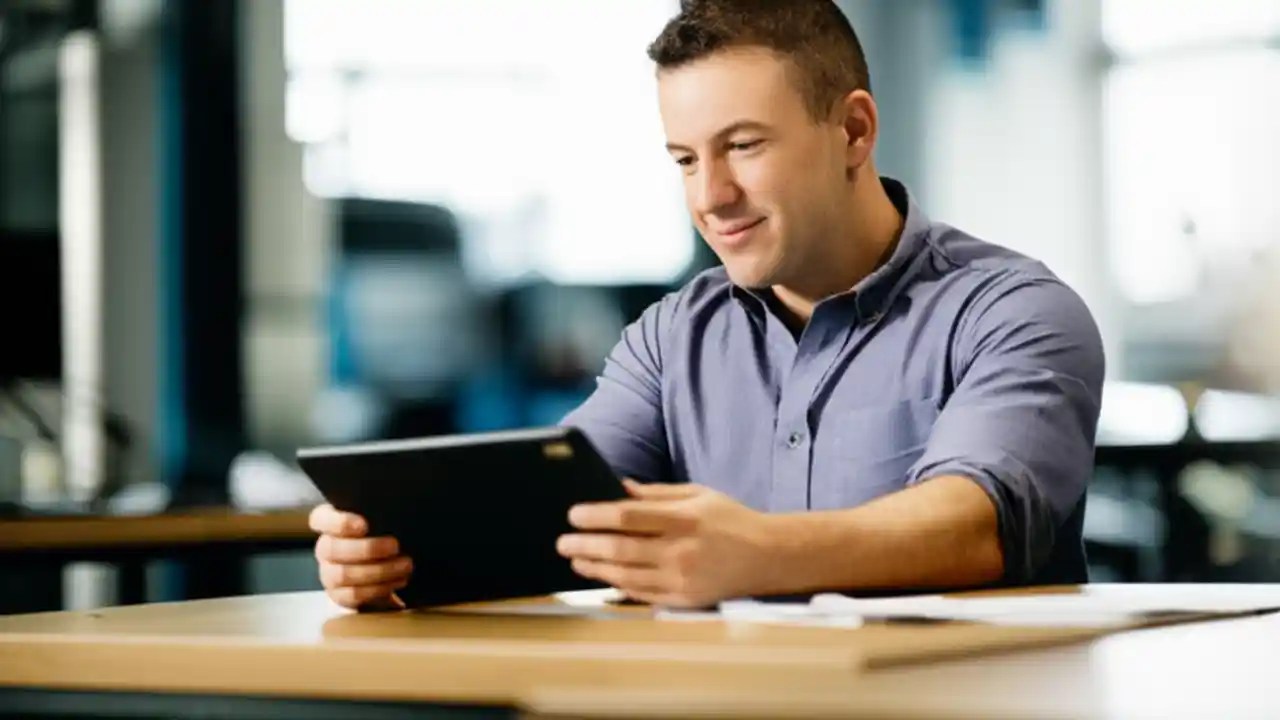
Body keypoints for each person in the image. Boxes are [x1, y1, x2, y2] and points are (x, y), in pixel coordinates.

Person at [310, 0, 1105, 610]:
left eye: (745, 146)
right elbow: (560, 513)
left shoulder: (1015, 314)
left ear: (854, 131)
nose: (711, 196)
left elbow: (974, 527)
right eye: (686, 158)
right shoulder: (670, 337)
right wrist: (405, 560)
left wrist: (761, 551)